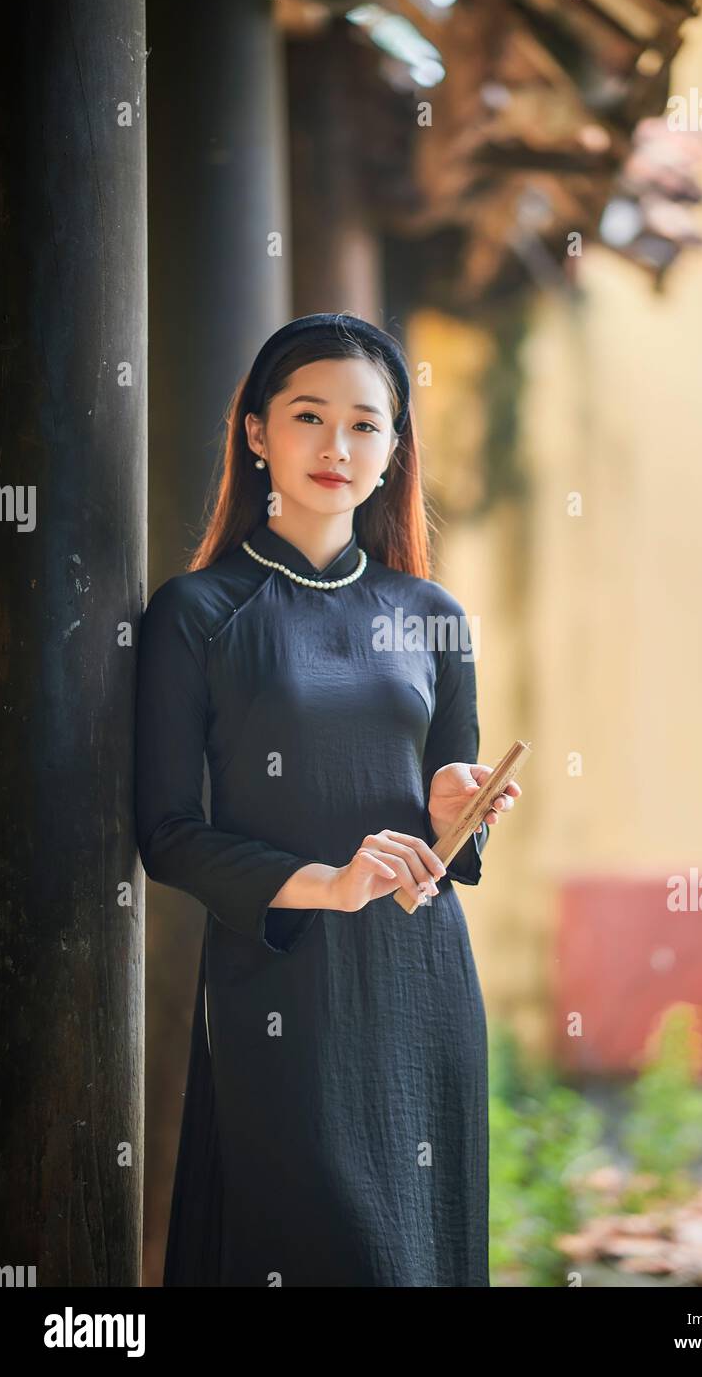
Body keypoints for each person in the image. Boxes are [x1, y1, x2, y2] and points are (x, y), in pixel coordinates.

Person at [134, 311, 521, 1287]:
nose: (336, 446)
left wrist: (452, 807)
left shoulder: (433, 616)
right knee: (339, 1252)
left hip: (419, 984)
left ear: (394, 450)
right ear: (256, 431)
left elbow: (446, 822)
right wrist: (324, 880)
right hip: (285, 989)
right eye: (309, 416)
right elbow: (169, 833)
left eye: (365, 423)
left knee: (421, 1258)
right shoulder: (198, 613)